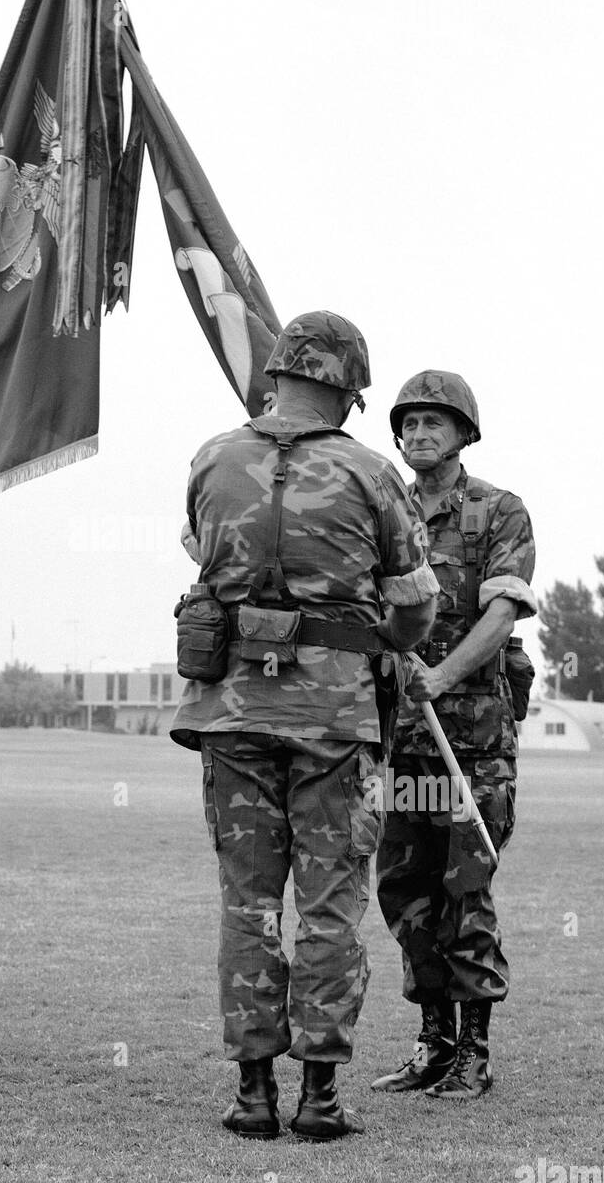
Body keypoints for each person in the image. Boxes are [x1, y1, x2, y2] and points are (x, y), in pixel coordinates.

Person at [171, 312, 439, 1141]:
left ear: (277, 374)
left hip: (230, 714)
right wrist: (386, 643)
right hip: (334, 718)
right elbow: (416, 599)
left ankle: (253, 1094)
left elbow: (198, 550)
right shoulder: (370, 473)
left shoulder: (212, 458)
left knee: (247, 904)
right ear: (350, 389)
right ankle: (319, 1098)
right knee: (328, 907)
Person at [372, 371, 536, 1099]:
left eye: (435, 422)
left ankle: (476, 1051)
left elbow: (502, 616)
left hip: (472, 742)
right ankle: (434, 1043)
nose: (418, 434)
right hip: (403, 745)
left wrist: (438, 680)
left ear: (465, 432)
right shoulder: (384, 507)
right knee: (406, 890)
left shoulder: (499, 511)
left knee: (464, 887)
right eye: (408, 423)